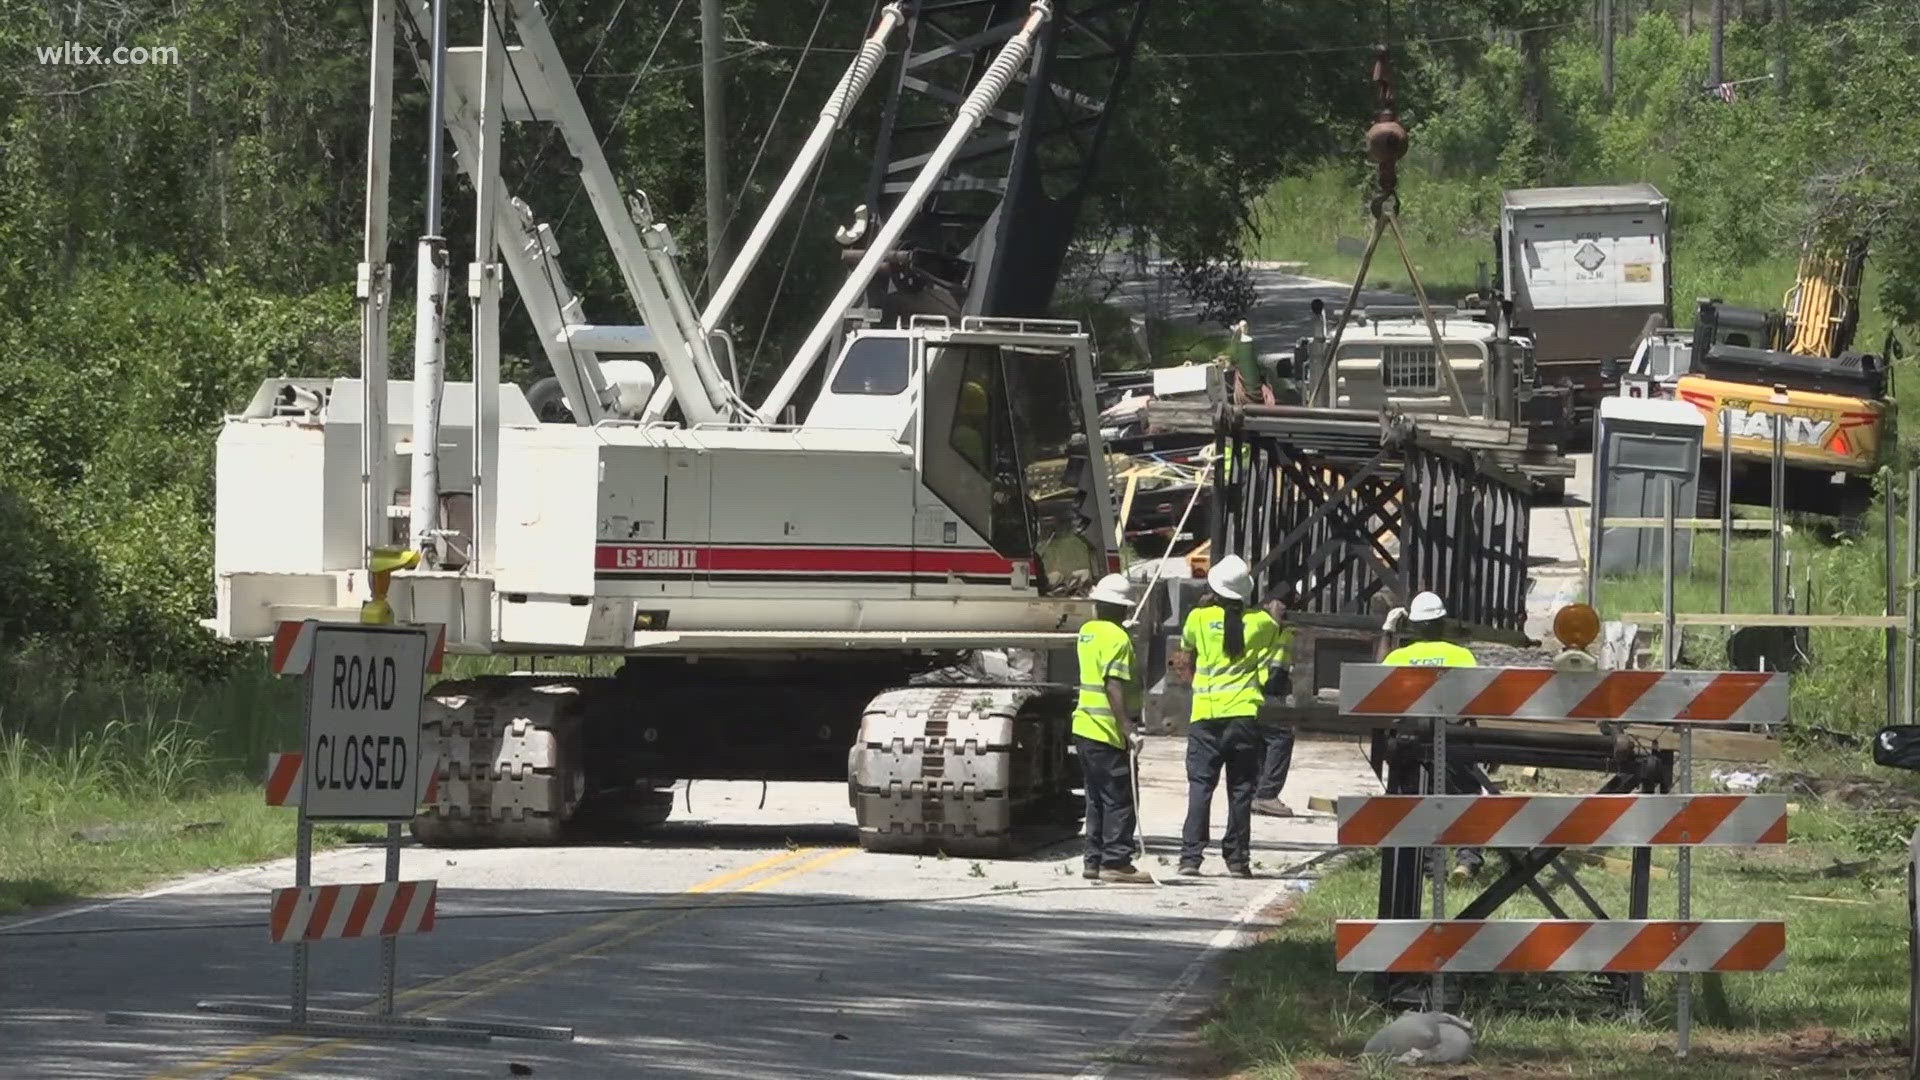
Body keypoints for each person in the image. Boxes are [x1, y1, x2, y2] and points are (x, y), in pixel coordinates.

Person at [1175, 554, 1286, 877]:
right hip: (1243, 717)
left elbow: (1184, 657)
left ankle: (1190, 858)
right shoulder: (1262, 624)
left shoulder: (1198, 618)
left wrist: (1196, 687)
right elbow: (1274, 632)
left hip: (1205, 715)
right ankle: (1237, 860)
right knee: (1240, 790)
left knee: (1200, 787)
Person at [1381, 591, 1485, 879]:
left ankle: (1430, 868)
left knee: (1416, 802)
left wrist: (1387, 633)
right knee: (1465, 797)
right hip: (1453, 738)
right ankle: (1467, 860)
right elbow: (1473, 701)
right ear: (1442, 623)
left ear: (1413, 625)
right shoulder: (1462, 656)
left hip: (1409, 741)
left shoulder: (1399, 657)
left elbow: (1374, 683)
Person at [1073, 573, 1152, 885]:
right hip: (1108, 731)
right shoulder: (1119, 639)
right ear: (1124, 609)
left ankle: (1093, 860)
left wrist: (1120, 631)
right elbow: (1112, 684)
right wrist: (1127, 727)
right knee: (1120, 799)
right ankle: (1116, 861)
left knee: (1096, 798)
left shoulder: (1087, 632)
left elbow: (1101, 649)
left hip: (1084, 726)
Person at [1252, 589, 1299, 818]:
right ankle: (1266, 794)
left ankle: (1257, 793)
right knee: (1280, 736)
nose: (1284, 609)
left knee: (1263, 739)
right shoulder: (1266, 626)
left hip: (1266, 688)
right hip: (1265, 688)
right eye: (1281, 603)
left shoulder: (1281, 629)